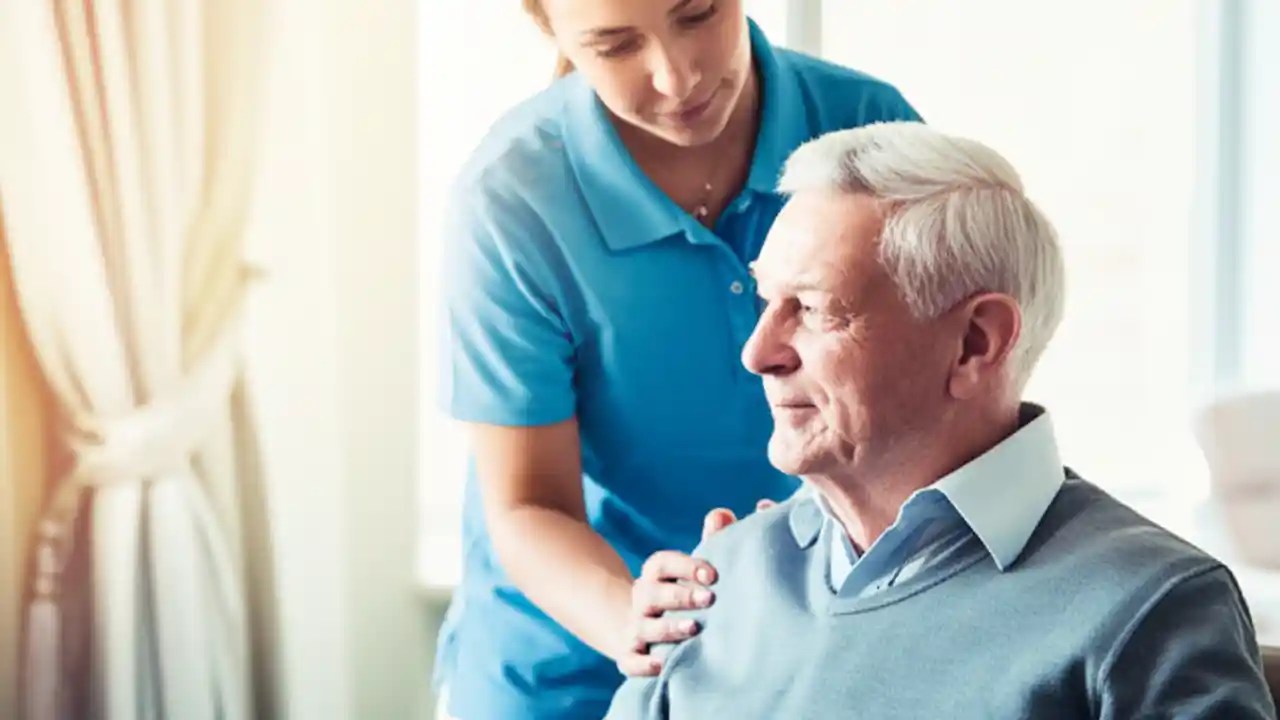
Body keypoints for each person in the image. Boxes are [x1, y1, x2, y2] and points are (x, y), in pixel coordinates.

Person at [605, 121, 1278, 719]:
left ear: (975, 344)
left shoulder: (1149, 609)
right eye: (765, 301)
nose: (759, 354)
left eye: (812, 309)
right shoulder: (718, 577)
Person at [433, 1, 921, 717]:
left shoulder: (868, 130)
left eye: (697, 14)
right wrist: (635, 617)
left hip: (802, 635)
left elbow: (929, 401)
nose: (677, 76)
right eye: (614, 44)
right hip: (567, 659)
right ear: (553, 33)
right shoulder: (513, 199)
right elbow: (528, 504)